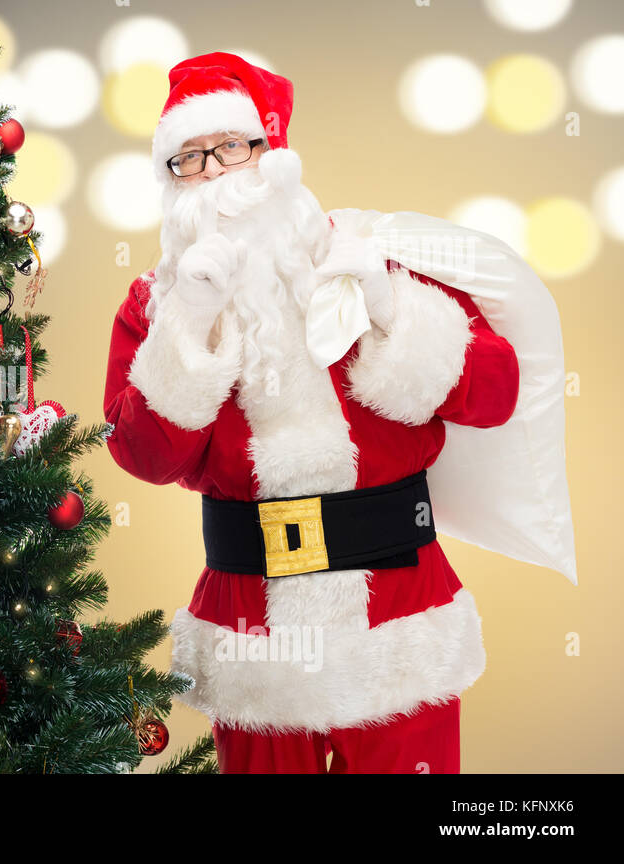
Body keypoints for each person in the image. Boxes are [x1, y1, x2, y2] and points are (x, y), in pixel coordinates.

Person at [102, 52, 522, 773]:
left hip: (399, 609)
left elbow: (496, 395)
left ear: (274, 153)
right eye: (189, 158)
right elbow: (146, 456)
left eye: (233, 146)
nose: (217, 173)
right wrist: (189, 325)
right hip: (253, 624)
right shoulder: (156, 304)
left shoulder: (371, 261)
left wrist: (391, 311)